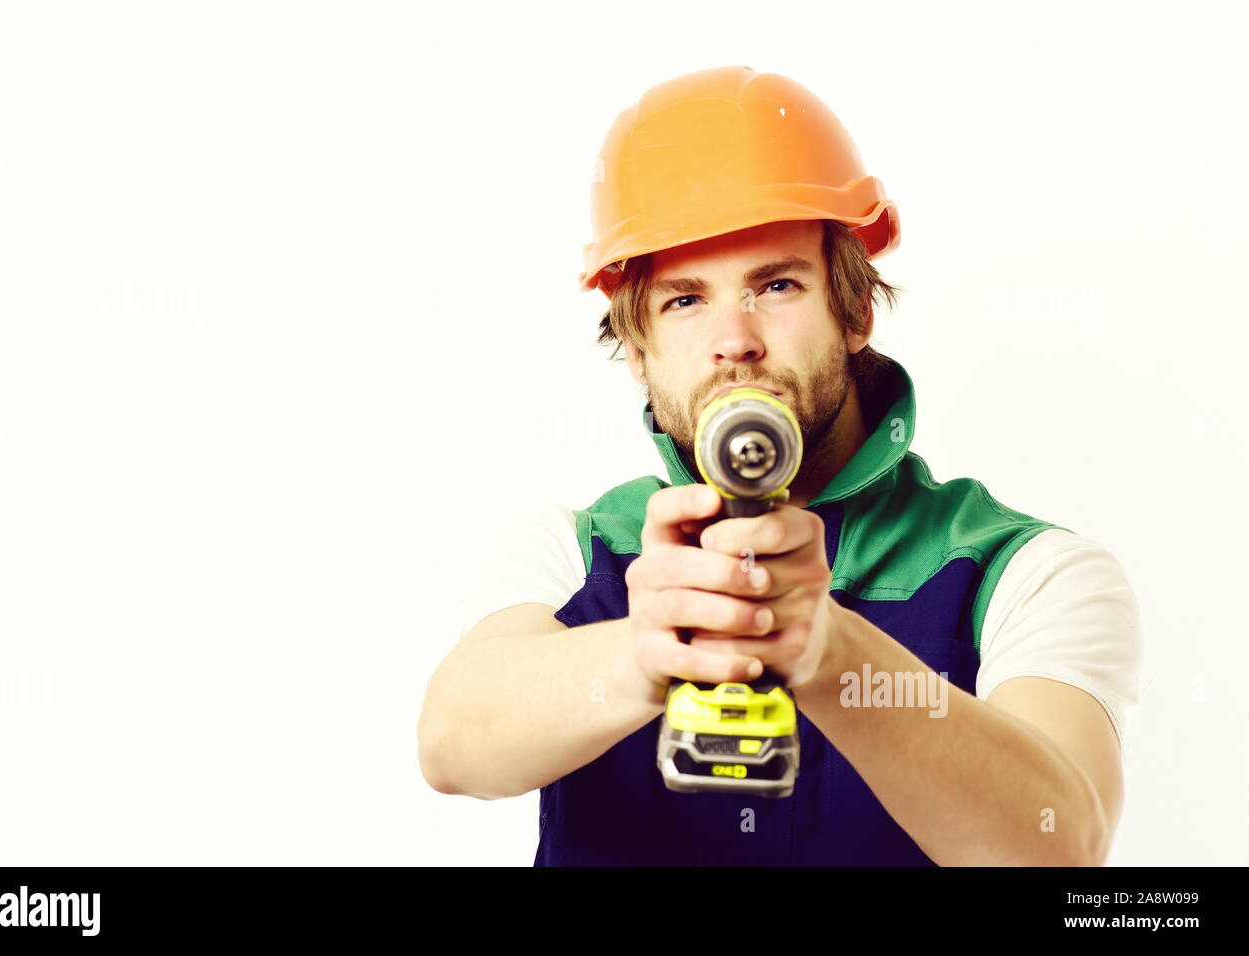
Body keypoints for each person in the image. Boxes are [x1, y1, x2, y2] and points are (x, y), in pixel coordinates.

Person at [418, 65, 1142, 866]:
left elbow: (1060, 843)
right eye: (685, 300)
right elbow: (453, 744)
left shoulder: (1024, 572)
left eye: (777, 284)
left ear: (856, 308)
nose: (736, 339)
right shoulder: (569, 553)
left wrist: (830, 651)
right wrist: (646, 652)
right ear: (636, 348)